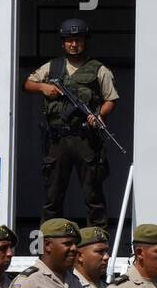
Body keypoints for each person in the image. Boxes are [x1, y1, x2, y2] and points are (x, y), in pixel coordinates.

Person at [24, 17, 120, 227]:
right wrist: (43, 88)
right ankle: (51, 243)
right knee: (53, 196)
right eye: (69, 40)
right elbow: (28, 83)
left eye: (78, 40)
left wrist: (99, 116)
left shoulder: (98, 69)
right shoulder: (53, 66)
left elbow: (111, 99)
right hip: (58, 140)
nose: (74, 44)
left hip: (86, 139)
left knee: (93, 196)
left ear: (85, 41)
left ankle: (97, 244)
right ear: (63, 42)